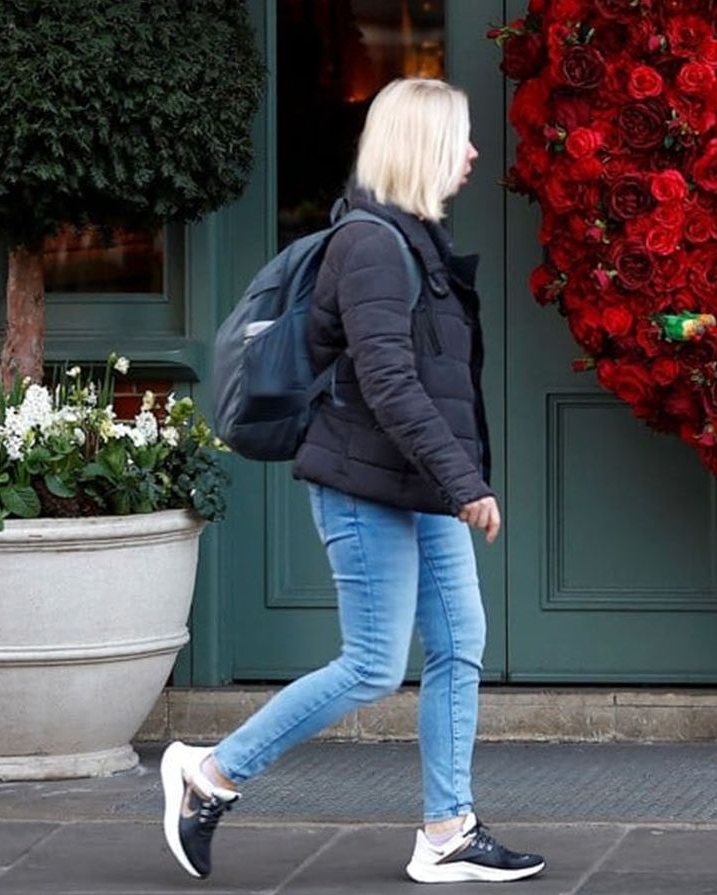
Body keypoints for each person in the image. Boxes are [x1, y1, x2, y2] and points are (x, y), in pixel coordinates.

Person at [159, 77, 544, 885]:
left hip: (416, 482)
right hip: (366, 483)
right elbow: (392, 382)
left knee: (459, 642)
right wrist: (467, 482)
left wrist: (451, 479)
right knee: (372, 662)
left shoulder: (413, 238)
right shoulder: (369, 244)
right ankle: (212, 773)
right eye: (461, 138)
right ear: (423, 145)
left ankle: (447, 829)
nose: (474, 154)